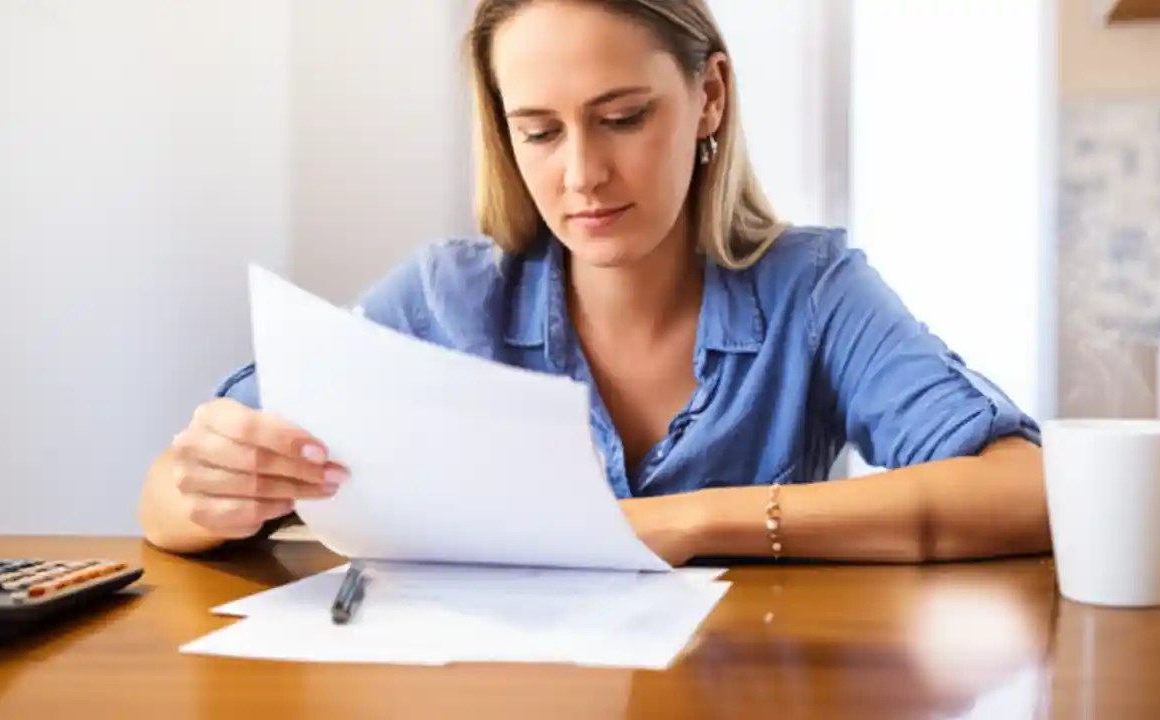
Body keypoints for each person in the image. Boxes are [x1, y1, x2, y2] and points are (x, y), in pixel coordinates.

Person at [138, 0, 1050, 563]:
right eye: (539, 131)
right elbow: (170, 503)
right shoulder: (441, 299)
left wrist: (688, 523)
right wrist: (207, 482)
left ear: (711, 97)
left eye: (620, 117)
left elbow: (1030, 492)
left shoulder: (814, 290)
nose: (581, 174)